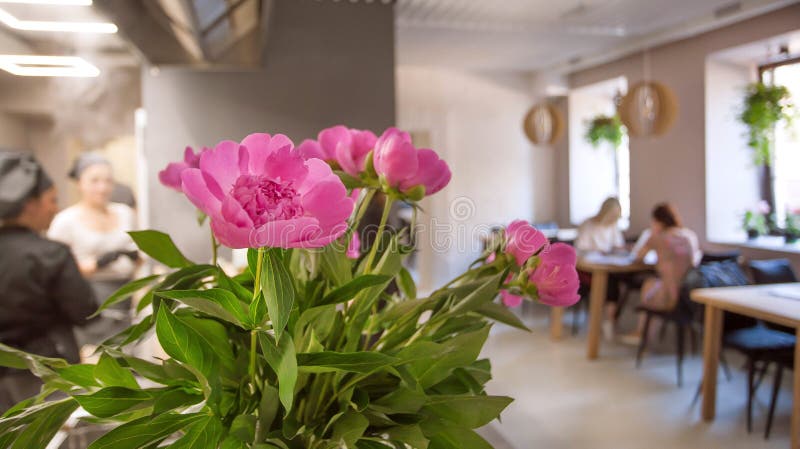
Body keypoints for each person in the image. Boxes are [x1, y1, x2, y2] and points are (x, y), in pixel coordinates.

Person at [0, 152, 96, 411]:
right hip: (45, 372)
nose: (56, 208)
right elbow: (84, 311)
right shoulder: (52, 254)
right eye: (51, 200)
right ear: (28, 204)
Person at [48, 152, 139, 346]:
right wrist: (97, 263)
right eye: (94, 180)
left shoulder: (125, 213)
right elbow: (53, 272)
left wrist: (135, 257)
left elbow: (140, 257)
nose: (103, 187)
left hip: (125, 298)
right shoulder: (65, 221)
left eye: (108, 180)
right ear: (79, 183)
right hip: (87, 301)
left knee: (126, 359)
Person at [621, 203, 701, 344]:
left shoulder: (658, 237)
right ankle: (647, 335)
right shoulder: (689, 235)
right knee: (654, 284)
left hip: (669, 295)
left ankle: (642, 334)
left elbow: (638, 256)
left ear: (657, 220)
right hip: (690, 294)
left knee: (649, 285)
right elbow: (695, 261)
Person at [575, 197, 625, 340]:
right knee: (609, 282)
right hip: (588, 269)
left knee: (614, 280)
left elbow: (617, 244)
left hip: (608, 266)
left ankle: (609, 320)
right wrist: (599, 251)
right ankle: (605, 321)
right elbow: (580, 249)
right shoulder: (587, 225)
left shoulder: (613, 226)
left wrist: (620, 249)